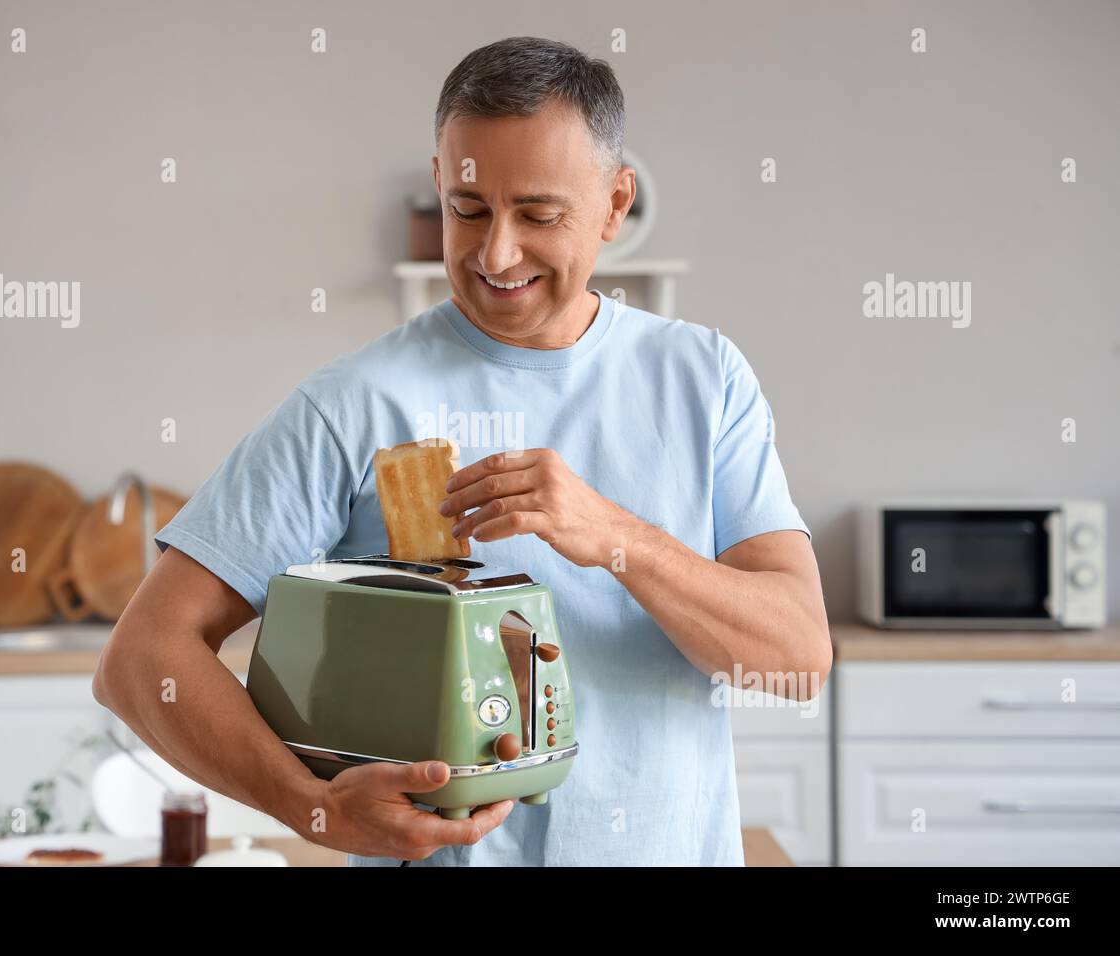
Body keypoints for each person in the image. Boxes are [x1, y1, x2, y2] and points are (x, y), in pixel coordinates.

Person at [93, 35, 831, 866]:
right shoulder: (354, 405)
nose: (496, 254)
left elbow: (796, 657)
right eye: (469, 211)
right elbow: (142, 659)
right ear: (441, 184)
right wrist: (314, 809)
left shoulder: (706, 378)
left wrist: (614, 536)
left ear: (615, 204)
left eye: (541, 215)